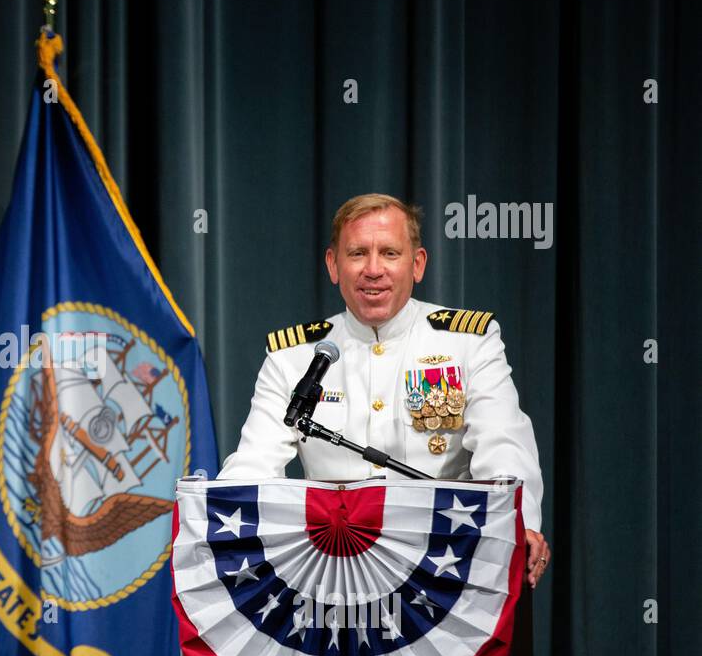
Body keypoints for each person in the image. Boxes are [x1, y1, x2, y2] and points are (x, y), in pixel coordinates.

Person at [219, 193, 552, 588]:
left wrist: (520, 523)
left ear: (417, 264)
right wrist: (218, 518)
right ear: (333, 265)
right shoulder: (294, 356)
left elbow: (503, 445)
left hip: (443, 564)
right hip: (332, 571)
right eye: (358, 253)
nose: (373, 270)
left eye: (390, 254)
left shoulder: (468, 342)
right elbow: (255, 461)